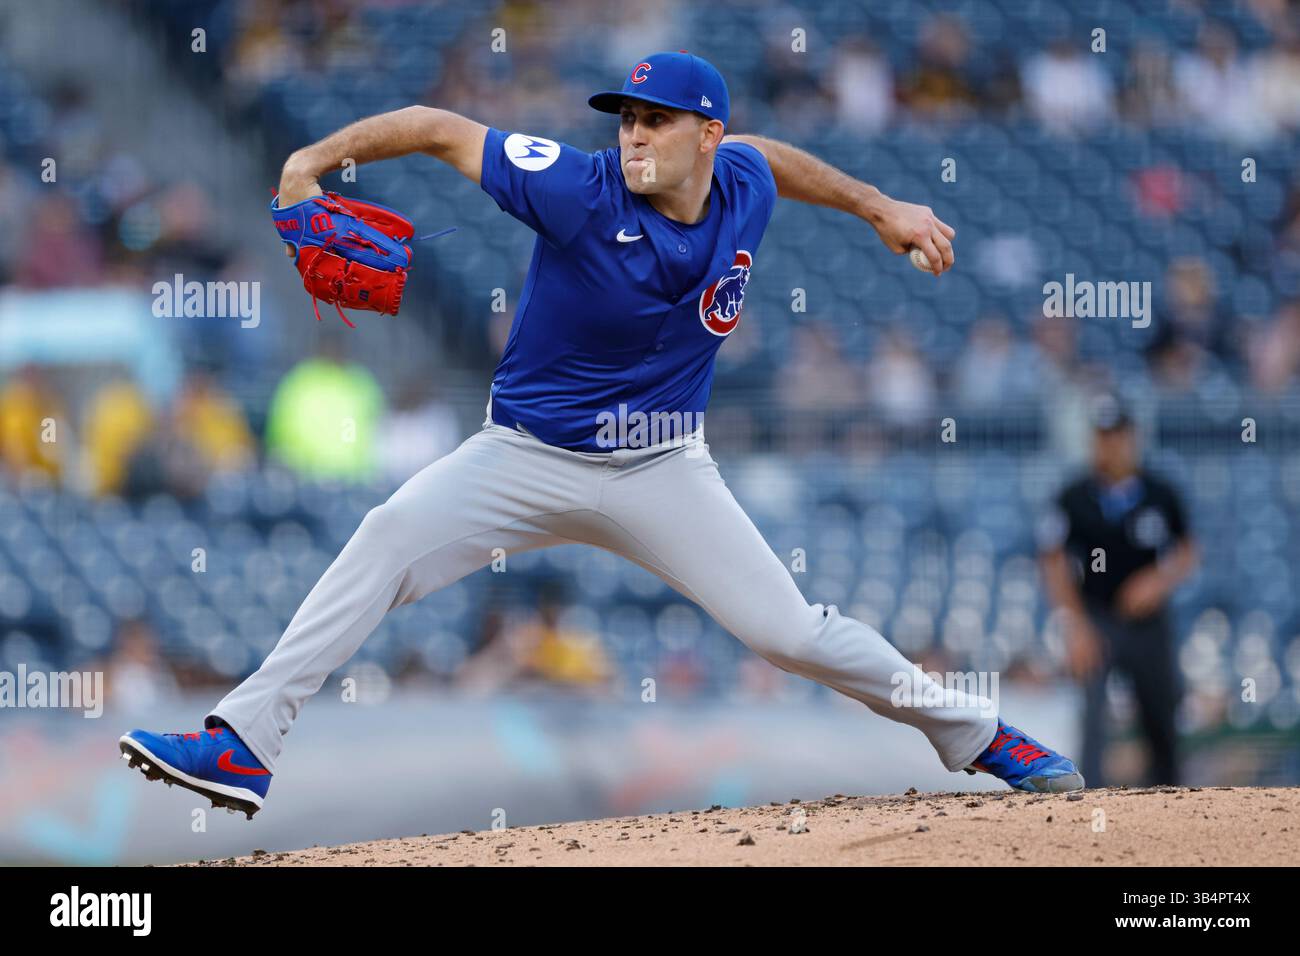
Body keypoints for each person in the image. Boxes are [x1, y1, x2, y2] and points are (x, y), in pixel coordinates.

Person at [121, 52, 1082, 819]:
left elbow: (774, 158)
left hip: (663, 465)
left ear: (706, 135)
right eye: (625, 117)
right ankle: (241, 745)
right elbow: (436, 127)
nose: (632, 135)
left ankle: (984, 736)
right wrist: (308, 162)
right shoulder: (577, 189)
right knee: (383, 538)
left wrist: (881, 206)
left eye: (654, 120)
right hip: (524, 457)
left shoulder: (739, 177)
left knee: (791, 633)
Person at [1039, 395, 1198, 787]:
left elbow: (1188, 549)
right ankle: (1089, 797)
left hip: (1148, 623)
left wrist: (1157, 582)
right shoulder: (1074, 497)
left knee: (1160, 712)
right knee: (1093, 718)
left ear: (1132, 438)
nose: (1109, 445)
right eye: (1102, 437)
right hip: (1097, 618)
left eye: (1116, 436)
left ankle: (1172, 797)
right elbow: (1053, 559)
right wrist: (1074, 624)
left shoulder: (1160, 493)